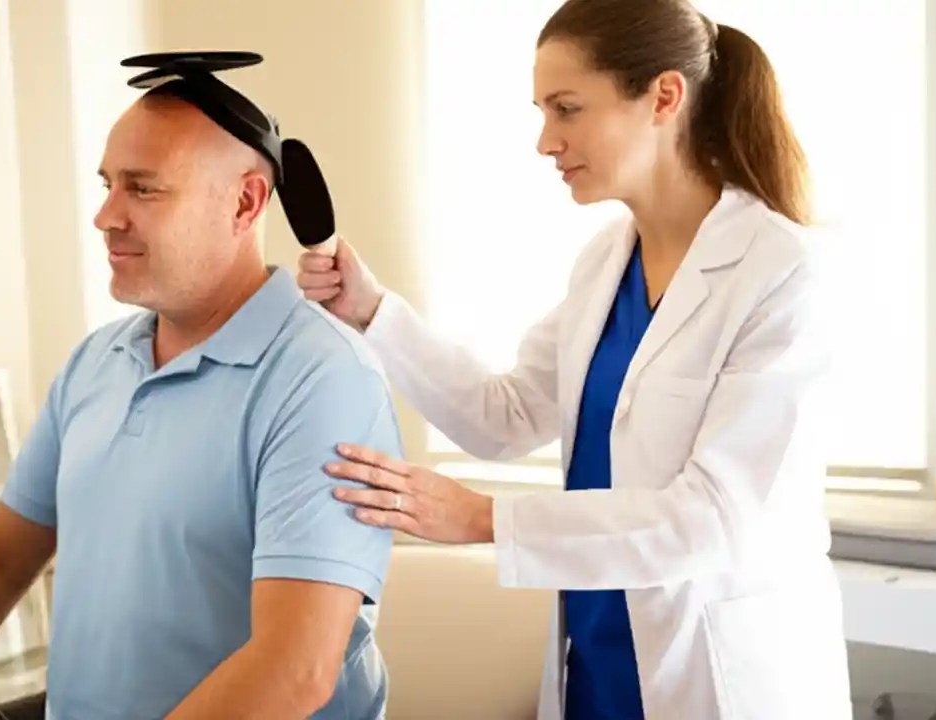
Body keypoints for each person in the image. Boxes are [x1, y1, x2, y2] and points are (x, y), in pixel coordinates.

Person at [298, 0, 852, 717]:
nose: (545, 141)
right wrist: (372, 311)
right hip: (597, 665)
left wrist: (485, 519)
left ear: (664, 97)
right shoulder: (603, 264)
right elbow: (505, 417)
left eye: (567, 109)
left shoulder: (780, 270)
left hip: (719, 679)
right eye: (542, 112)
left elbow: (713, 517)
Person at [0, 52, 403, 720]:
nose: (106, 216)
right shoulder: (97, 362)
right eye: (108, 184)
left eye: (143, 189)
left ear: (245, 202)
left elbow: (294, 671)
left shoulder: (323, 381)